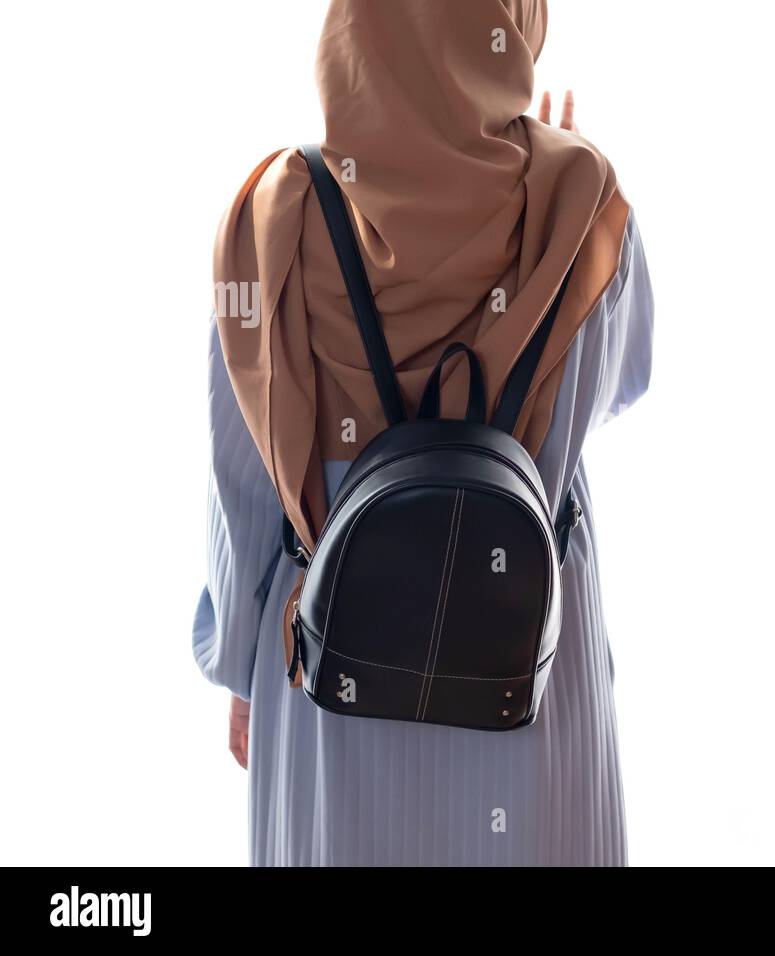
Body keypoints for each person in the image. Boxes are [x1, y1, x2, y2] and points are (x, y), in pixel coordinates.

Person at [192, 0, 652, 866]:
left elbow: (242, 485)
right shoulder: (582, 205)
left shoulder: (269, 222)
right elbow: (626, 383)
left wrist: (240, 670)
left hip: (333, 689)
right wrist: (568, 208)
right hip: (528, 682)